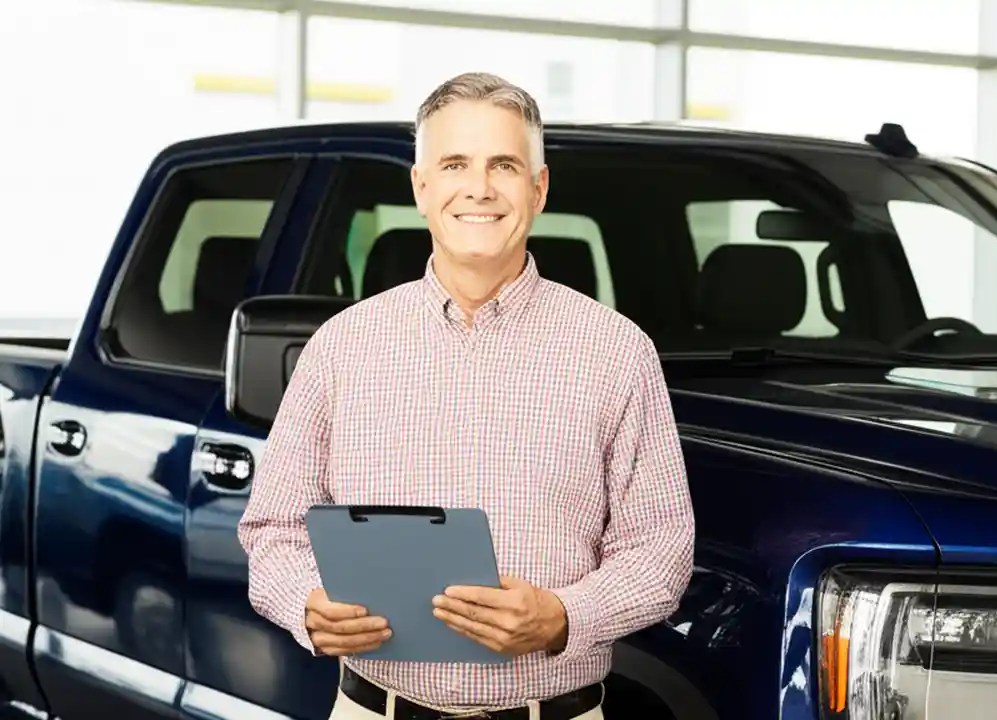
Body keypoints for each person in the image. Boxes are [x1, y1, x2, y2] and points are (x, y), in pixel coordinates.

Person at [237, 71, 695, 720]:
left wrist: (566, 616)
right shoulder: (341, 349)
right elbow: (273, 531)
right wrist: (305, 602)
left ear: (538, 189)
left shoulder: (617, 352)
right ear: (421, 187)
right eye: (454, 164)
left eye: (504, 165)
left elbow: (660, 551)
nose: (479, 188)